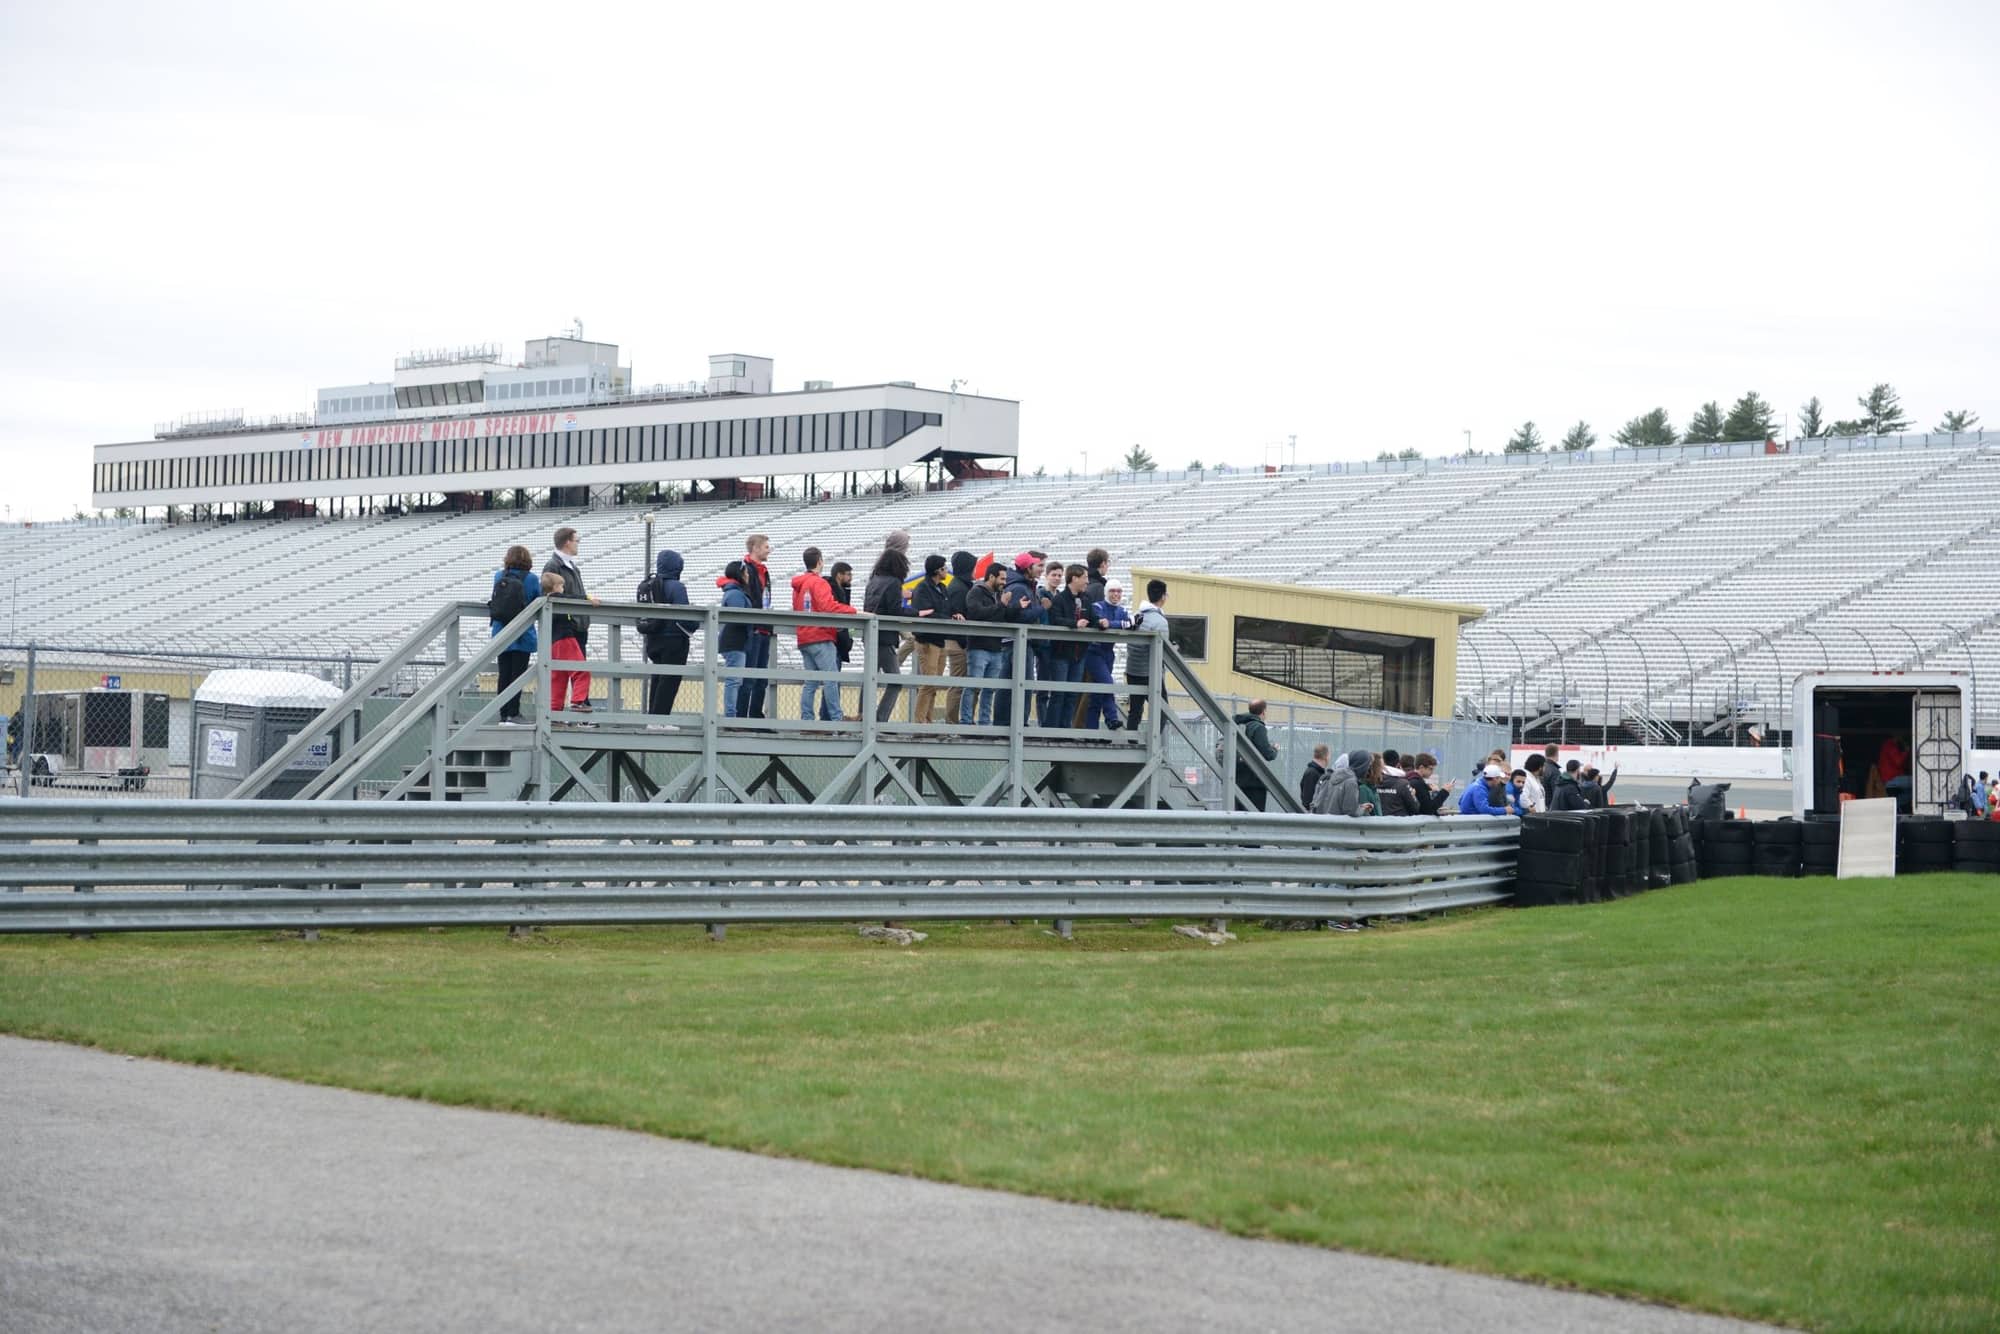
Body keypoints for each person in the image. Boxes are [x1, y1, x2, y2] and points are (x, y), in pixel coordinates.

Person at [791, 546, 856, 722]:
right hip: (820, 636)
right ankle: (836, 719)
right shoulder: (819, 583)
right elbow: (828, 607)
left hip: (804, 636)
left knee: (811, 682)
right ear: (819, 561)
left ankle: (807, 720)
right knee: (831, 678)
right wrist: (854, 611)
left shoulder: (800, 584)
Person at [488, 544, 542, 725]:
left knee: (504, 674)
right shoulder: (532, 579)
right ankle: (513, 712)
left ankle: (503, 714)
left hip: (501, 631)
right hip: (522, 633)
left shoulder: (498, 576)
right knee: (517, 675)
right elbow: (538, 600)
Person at [636, 549, 692, 721]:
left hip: (653, 639)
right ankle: (660, 720)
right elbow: (687, 616)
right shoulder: (677, 587)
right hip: (674, 640)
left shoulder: (648, 584)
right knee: (669, 681)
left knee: (658, 679)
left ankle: (653, 719)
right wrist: (693, 628)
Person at [1039, 563, 1093, 728]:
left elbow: (1093, 617)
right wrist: (1075, 623)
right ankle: (1051, 730)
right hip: (1062, 653)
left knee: (1071, 694)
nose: (1087, 582)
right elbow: (1056, 620)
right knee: (1059, 693)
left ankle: (1065, 730)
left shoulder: (1086, 599)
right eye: (1084, 578)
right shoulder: (1060, 599)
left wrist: (1102, 622)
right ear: (1074, 578)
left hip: (1078, 654)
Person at [865, 540, 912, 723]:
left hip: (871, 635)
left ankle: (864, 715)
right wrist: (916, 612)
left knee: (870, 678)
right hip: (884, 637)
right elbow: (894, 611)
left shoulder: (873, 580)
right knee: (895, 681)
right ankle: (880, 719)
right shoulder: (893, 582)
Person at [959, 562, 1011, 726]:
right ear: (991, 577)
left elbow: (1002, 617)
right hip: (979, 647)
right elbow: (976, 613)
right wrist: (1001, 605)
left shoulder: (998, 594)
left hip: (996, 647)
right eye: (1002, 578)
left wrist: (1015, 608)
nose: (1004, 582)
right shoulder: (976, 592)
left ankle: (984, 723)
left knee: (990, 689)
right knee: (973, 685)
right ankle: (966, 722)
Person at [997, 553, 1044, 727]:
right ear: (1027, 568)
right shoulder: (1019, 588)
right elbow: (1019, 617)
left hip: (1017, 643)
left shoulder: (1023, 586)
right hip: (1017, 643)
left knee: (1014, 684)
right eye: (1035, 565)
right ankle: (1015, 724)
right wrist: (1041, 609)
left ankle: (1010, 723)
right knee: (1020, 684)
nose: (1039, 569)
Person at [910, 553, 954, 724]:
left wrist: (952, 615)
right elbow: (926, 613)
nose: (947, 570)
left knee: (934, 683)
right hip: (927, 640)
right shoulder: (922, 589)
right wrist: (944, 617)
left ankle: (928, 720)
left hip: (940, 639)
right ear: (937, 570)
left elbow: (945, 609)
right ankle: (920, 721)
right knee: (928, 682)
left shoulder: (942, 588)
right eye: (944, 567)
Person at [540, 571, 591, 715]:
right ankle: (578, 701)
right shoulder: (557, 598)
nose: (563, 589)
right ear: (556, 587)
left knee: (558, 677)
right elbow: (571, 598)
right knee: (581, 670)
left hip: (552, 642)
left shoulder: (545, 600)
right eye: (562, 586)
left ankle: (554, 713)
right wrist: (587, 598)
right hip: (565, 638)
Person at [1081, 579, 1129, 730]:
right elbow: (1102, 623)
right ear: (1106, 592)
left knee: (1097, 695)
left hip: (1109, 653)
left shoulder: (1122, 610)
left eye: (1119, 591)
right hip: (1094, 651)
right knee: (1107, 684)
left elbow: (1130, 624)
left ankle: (1092, 732)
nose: (1116, 594)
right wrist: (1121, 624)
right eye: (1112, 591)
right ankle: (1111, 718)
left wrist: (1116, 624)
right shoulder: (1097, 606)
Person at [735, 534, 774, 720]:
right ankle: (741, 717)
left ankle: (756, 716)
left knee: (761, 678)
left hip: (764, 628)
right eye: (766, 547)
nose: (769, 550)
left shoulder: (763, 570)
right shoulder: (745, 569)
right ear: (756, 548)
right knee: (749, 677)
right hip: (753, 629)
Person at [542, 526, 598, 649]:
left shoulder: (572, 566)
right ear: (567, 542)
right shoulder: (553, 565)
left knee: (578, 667)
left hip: (578, 626)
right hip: (566, 629)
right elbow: (550, 596)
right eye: (576, 541)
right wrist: (585, 598)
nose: (578, 544)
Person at [1126, 579, 1169, 732]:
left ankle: (1131, 740)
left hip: (1132, 669)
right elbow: (1163, 651)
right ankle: (1153, 740)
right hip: (1150, 672)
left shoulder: (1136, 616)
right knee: (1163, 710)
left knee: (1135, 709)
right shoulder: (1160, 621)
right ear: (1163, 596)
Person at [941, 550, 977, 724]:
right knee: (958, 684)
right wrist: (965, 643)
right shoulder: (958, 588)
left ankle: (958, 720)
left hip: (960, 641)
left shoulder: (960, 585)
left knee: (961, 683)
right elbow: (957, 616)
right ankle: (952, 722)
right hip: (958, 643)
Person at [715, 560, 753, 718]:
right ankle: (730, 716)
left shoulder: (733, 592)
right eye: (746, 572)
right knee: (734, 680)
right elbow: (738, 617)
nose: (748, 575)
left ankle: (731, 715)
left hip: (734, 641)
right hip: (734, 642)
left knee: (735, 680)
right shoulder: (736, 594)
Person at [1230, 698, 1279, 811]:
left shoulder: (1239, 725)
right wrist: (1274, 749)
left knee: (1240, 814)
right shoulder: (1258, 727)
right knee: (1255, 815)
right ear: (1263, 711)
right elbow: (1268, 754)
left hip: (1238, 778)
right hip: (1254, 782)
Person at [1311, 750, 1371, 816]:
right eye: (1368, 765)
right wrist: (1363, 809)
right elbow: (1351, 811)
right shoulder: (1351, 782)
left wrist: (1360, 807)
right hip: (1338, 825)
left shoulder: (1331, 777)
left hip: (1324, 822)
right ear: (1362, 766)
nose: (1368, 769)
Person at [1300, 743, 1331, 810]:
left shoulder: (1317, 772)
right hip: (1314, 815)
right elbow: (1308, 800)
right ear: (1326, 756)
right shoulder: (1312, 773)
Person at [1354, 751, 1383, 816]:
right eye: (1381, 768)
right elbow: (1365, 816)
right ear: (1374, 769)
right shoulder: (1364, 789)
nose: (1383, 771)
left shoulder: (1373, 789)